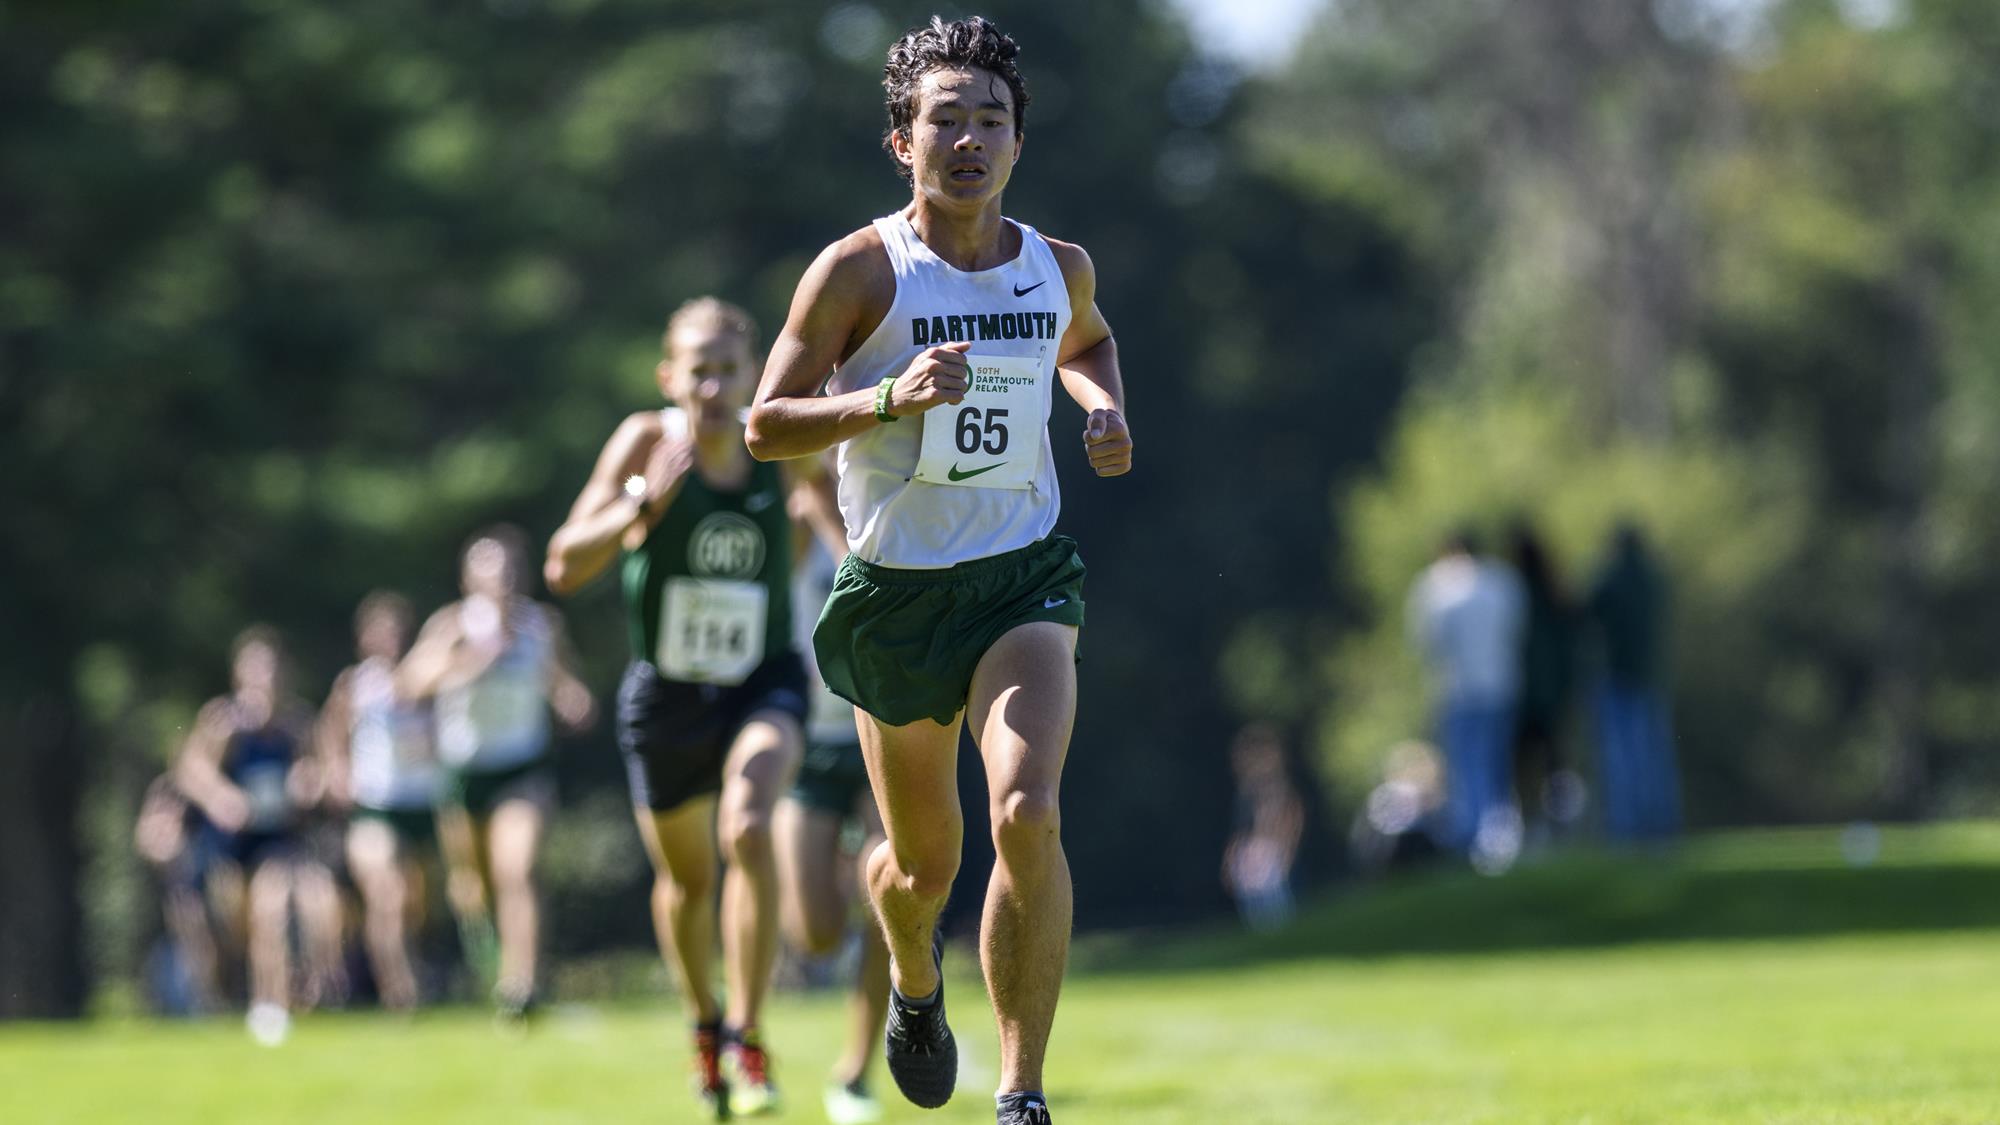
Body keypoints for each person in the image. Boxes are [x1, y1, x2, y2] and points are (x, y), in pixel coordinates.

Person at [744, 17, 1134, 1124]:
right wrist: (885, 397)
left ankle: (1019, 1090)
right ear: (900, 142)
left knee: (1027, 809)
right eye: (944, 120)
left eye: (990, 121)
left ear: (1018, 143)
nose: (968, 140)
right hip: (896, 596)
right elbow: (765, 425)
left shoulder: (1057, 267)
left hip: (1021, 577)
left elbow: (1088, 341)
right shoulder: (859, 270)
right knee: (922, 870)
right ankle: (913, 979)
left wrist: (1103, 407)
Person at [545, 297, 838, 1118]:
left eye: (728, 369)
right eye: (697, 370)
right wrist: (642, 505)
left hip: (763, 676)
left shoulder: (774, 442)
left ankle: (749, 1029)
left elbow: (828, 516)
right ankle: (704, 1023)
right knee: (688, 880)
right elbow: (563, 564)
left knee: (749, 823)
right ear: (668, 377)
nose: (712, 386)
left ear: (752, 376)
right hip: (667, 690)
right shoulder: (646, 441)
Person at [399, 527, 595, 1023]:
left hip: (522, 768)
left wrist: (572, 700)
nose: (502, 582)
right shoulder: (451, 625)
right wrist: (469, 661)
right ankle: (492, 966)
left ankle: (521, 985)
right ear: (469, 580)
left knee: (518, 869)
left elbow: (563, 681)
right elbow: (409, 685)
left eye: (510, 572)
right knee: (474, 888)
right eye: (491, 573)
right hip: (464, 773)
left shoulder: (540, 626)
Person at [173, 626, 347, 1045]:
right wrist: (220, 796)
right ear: (239, 675)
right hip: (230, 847)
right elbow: (189, 768)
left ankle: (273, 1004)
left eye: (270, 670)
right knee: (230, 932)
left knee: (276, 907)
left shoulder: (296, 725)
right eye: (254, 670)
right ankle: (222, 1000)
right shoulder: (223, 723)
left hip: (278, 841)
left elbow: (321, 773)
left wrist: (311, 783)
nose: (264, 679)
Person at [774, 519, 892, 1125]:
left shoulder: (886, 510)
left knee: (891, 894)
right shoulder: (798, 524)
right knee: (815, 937)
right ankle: (845, 880)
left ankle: (856, 1068)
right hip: (808, 745)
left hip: (881, 729)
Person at [318, 591, 441, 1011]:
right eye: (381, 633)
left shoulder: (426, 679)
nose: (390, 640)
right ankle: (400, 991)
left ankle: (418, 971)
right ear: (364, 639)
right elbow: (330, 732)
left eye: (397, 632)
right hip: (375, 805)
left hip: (422, 804)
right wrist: (337, 771)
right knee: (386, 894)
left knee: (417, 904)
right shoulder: (354, 685)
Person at [1407, 531, 1526, 868]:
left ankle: (1473, 836)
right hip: (1501, 684)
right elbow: (1516, 630)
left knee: (1465, 765)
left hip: (1458, 688)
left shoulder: (1436, 586)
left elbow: (1427, 642)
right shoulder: (1501, 581)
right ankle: (1499, 836)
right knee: (1497, 763)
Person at [1586, 522, 1680, 841]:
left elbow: (1587, 610)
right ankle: (1661, 822)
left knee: (1623, 757)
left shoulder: (1611, 578)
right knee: (1655, 755)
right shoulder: (1653, 579)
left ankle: (1628, 826)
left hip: (1619, 676)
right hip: (1650, 677)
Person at [1506, 523, 1582, 843]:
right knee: (1556, 766)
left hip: (1522, 695)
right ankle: (1560, 826)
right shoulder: (1556, 594)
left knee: (1521, 769)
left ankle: (1529, 825)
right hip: (1553, 695)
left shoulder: (1512, 595)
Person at [133, 773, 226, 1015]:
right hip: (176, 897)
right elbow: (146, 842)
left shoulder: (202, 797)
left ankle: (205, 997)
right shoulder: (163, 791)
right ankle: (198, 1000)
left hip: (206, 888)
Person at [1220, 724, 1305, 931]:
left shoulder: (1277, 788)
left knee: (1275, 905)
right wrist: (1231, 859)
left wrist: (1286, 847)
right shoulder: (1246, 793)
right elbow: (1240, 831)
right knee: (1254, 908)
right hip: (1251, 852)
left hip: (1270, 849)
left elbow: (1290, 818)